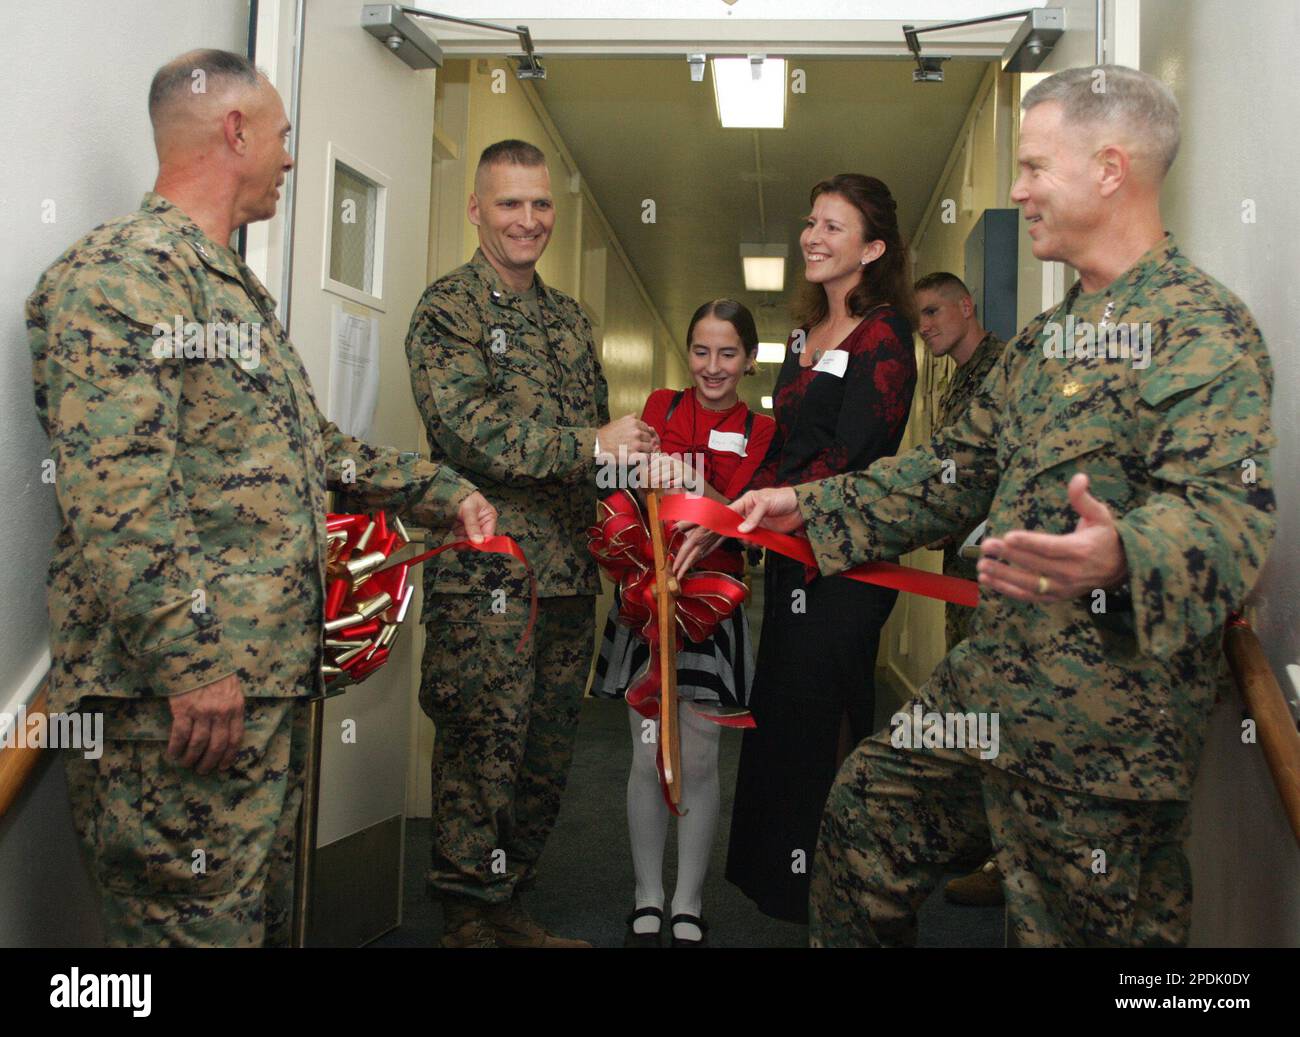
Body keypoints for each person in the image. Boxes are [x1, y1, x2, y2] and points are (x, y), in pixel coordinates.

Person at [708, 66, 1276, 947]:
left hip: (1102, 722)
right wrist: (807, 505)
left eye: (1036, 168)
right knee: (863, 820)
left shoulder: (1198, 326)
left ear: (1111, 170)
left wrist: (1122, 552)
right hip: (993, 690)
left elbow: (1225, 520)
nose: (1016, 191)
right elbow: (950, 471)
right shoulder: (1046, 343)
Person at [26, 49, 495, 948]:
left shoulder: (231, 291)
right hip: (180, 699)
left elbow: (309, 448)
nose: (289, 158)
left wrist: (443, 490)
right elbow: (116, 492)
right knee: (189, 935)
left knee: (248, 926)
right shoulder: (124, 277)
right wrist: (191, 660)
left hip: (258, 684)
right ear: (234, 131)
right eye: (282, 137)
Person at [405, 139, 658, 948]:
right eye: (509, 203)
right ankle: (467, 912)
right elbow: (472, 433)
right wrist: (592, 444)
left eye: (541, 204)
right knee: (482, 741)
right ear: (476, 209)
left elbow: (601, 451)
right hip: (487, 577)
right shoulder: (448, 310)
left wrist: (629, 527)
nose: (528, 220)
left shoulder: (572, 321)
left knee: (546, 751)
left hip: (569, 578)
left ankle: (513, 903)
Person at [687, 174, 918, 925]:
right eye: (810, 221)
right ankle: (798, 894)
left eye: (833, 227)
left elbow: (854, 455)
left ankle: (854, 900)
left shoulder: (885, 336)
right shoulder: (799, 335)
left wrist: (766, 512)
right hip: (789, 562)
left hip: (845, 567)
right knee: (784, 724)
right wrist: (724, 501)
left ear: (873, 249)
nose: (812, 237)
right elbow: (781, 445)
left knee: (830, 728)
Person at [592, 299, 775, 947]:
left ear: (750, 360)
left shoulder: (761, 432)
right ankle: (646, 892)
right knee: (647, 755)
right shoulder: (660, 407)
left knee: (698, 758)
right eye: (701, 350)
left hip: (713, 605)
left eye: (728, 353)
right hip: (647, 596)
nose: (713, 366)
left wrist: (704, 493)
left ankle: (688, 897)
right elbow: (610, 478)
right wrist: (642, 472)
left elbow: (756, 523)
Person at [914, 271, 1008, 908]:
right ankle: (980, 837)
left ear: (966, 305)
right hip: (959, 570)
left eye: (933, 312)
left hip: (1000, 574)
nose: (924, 326)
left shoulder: (1006, 369)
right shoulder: (950, 386)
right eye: (918, 317)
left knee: (998, 706)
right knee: (970, 700)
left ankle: (1007, 859)